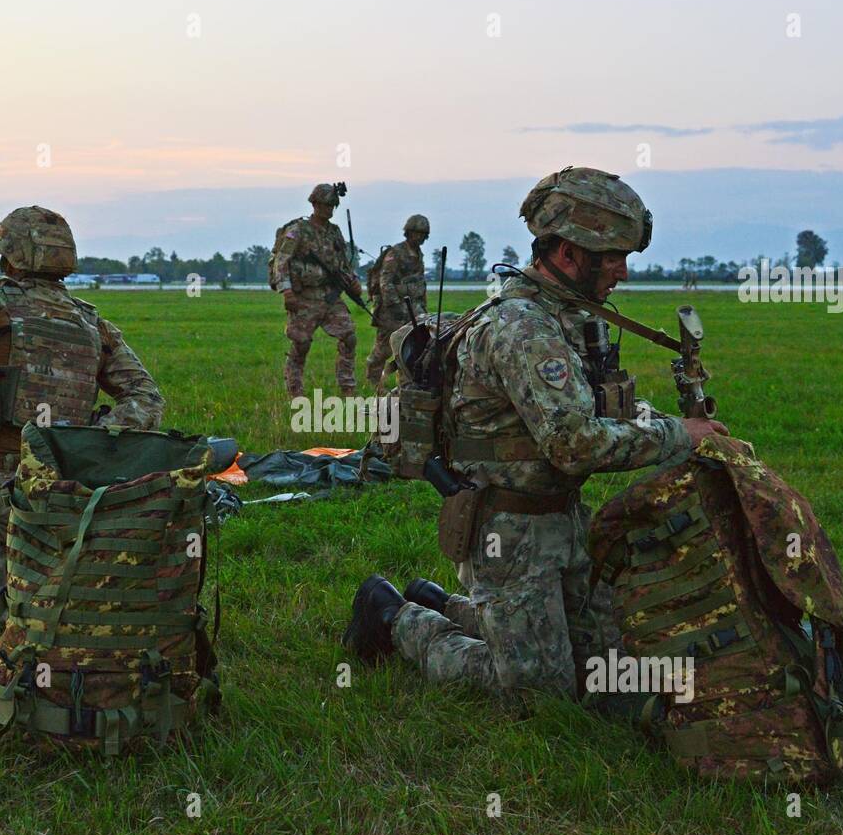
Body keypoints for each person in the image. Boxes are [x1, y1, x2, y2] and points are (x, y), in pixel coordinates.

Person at [343, 168, 729, 700]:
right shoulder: (524, 328)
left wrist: (694, 429)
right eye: (612, 255)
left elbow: (604, 405)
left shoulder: (568, 317)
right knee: (538, 692)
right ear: (569, 252)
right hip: (509, 532)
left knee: (605, 669)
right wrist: (679, 437)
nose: (621, 270)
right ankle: (393, 617)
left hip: (562, 520)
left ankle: (448, 606)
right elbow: (575, 444)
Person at [0, 206, 164, 642]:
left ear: (8, 259)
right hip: (65, 496)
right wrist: (88, 445)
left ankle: (36, 609)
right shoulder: (92, 322)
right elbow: (146, 398)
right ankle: (58, 602)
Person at [270, 184, 364, 398]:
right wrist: (287, 292)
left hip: (330, 297)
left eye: (332, 205)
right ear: (314, 204)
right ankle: (295, 391)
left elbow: (342, 265)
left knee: (349, 336)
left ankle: (347, 387)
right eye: (325, 205)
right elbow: (281, 262)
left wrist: (354, 283)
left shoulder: (334, 233)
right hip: (304, 297)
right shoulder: (298, 230)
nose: (329, 209)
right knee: (301, 344)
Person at [364, 214, 429, 389]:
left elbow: (419, 283)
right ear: (408, 232)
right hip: (391, 311)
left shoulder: (418, 255)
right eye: (417, 233)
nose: (420, 237)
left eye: (423, 234)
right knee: (384, 348)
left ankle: (406, 383)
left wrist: (423, 307)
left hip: (413, 309)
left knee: (413, 346)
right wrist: (396, 307)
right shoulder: (395, 253)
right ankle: (373, 381)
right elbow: (385, 282)